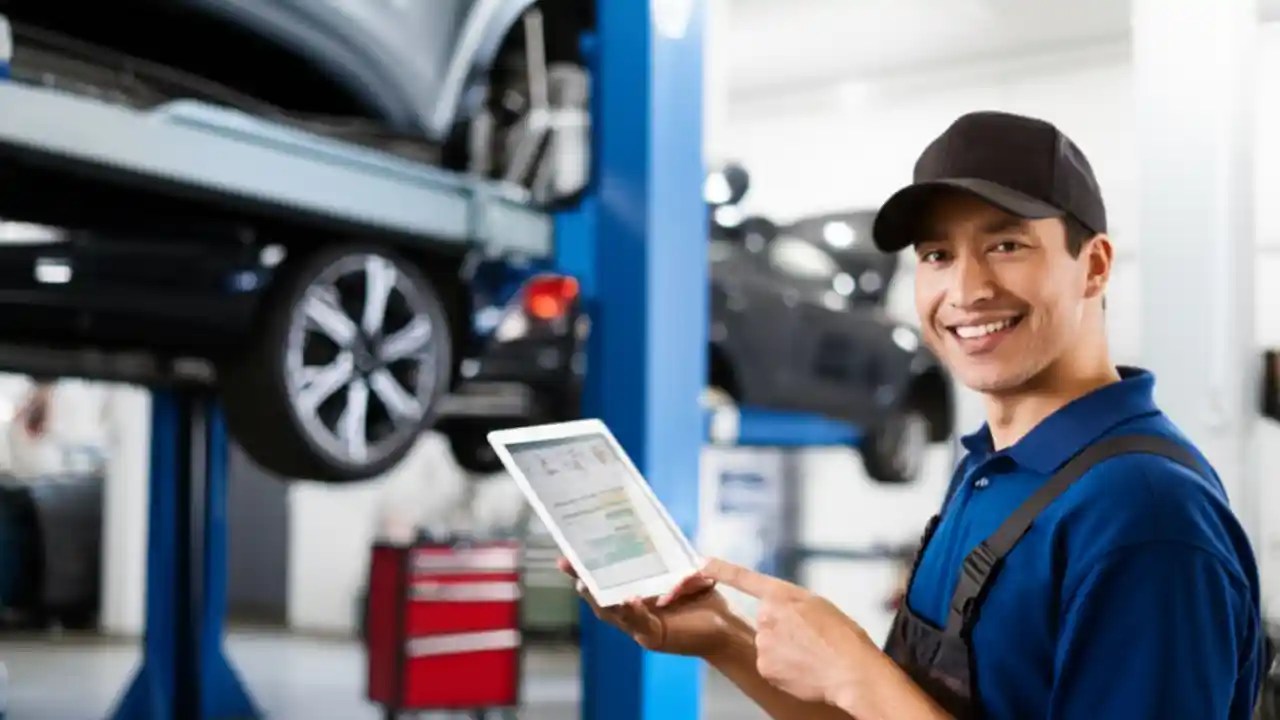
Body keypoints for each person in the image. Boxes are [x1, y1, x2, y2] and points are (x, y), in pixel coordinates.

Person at [558, 110, 1267, 719]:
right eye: (937, 253)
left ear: (1097, 265)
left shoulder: (1144, 516)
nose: (966, 289)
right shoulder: (993, 471)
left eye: (1006, 244)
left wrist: (858, 674)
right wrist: (723, 637)